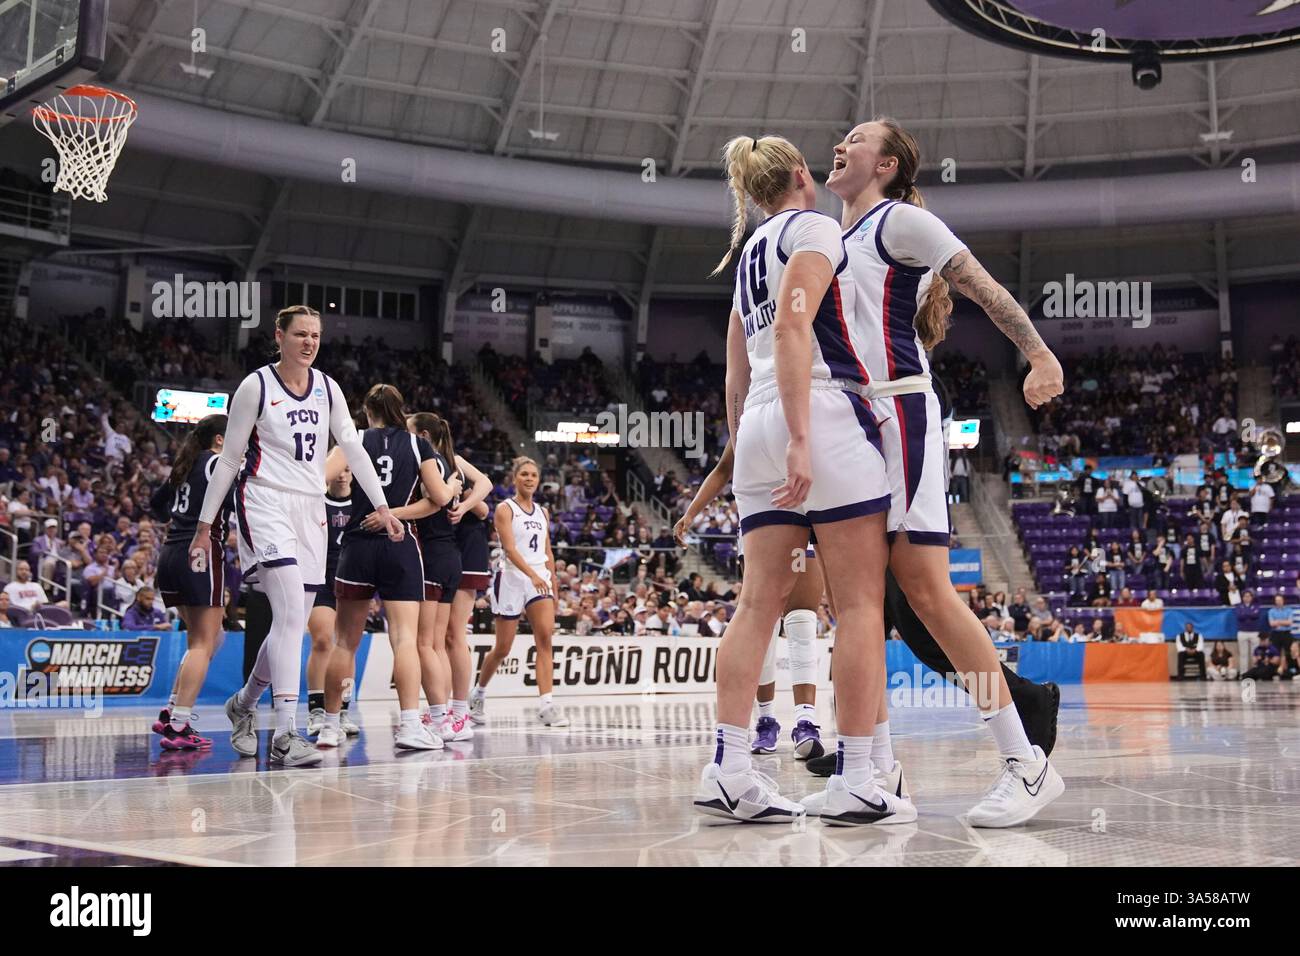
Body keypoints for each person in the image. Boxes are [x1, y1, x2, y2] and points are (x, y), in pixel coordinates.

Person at [825, 116, 1064, 826]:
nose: (842, 144)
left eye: (859, 139)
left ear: (890, 165)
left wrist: (1040, 356)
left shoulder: (901, 223)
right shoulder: (825, 238)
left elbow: (986, 290)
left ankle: (1026, 764)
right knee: (860, 604)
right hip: (852, 422)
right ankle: (878, 774)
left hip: (901, 414)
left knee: (927, 594)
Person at [692, 134, 893, 827]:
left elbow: (733, 375)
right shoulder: (812, 226)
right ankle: (859, 776)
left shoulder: (749, 252)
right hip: (821, 408)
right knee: (862, 604)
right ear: (802, 176)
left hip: (753, 424)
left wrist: (755, 442)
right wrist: (804, 437)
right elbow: (793, 322)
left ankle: (728, 766)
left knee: (756, 604)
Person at [189, 305, 401, 768]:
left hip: (311, 508)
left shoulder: (328, 387)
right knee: (288, 617)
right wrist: (205, 526)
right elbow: (229, 460)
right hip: (264, 501)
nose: (309, 342)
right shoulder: (256, 386)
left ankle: (243, 704)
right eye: (300, 334)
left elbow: (353, 446)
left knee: (291, 621)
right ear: (279, 336)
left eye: (315, 335)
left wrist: (382, 505)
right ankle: (284, 731)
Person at [317, 384, 458, 751]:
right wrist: (394, 512)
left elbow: (320, 479)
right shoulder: (418, 445)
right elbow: (440, 499)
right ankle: (410, 726)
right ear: (401, 409)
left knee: (344, 642)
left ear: (366, 411)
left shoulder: (354, 439)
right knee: (405, 640)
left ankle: (330, 726)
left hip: (358, 543)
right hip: (400, 543)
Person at [674, 439, 825, 760]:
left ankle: (806, 720)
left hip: (804, 520)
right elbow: (723, 468)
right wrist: (692, 512)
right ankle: (766, 720)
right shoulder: (749, 415)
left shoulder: (812, 410)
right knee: (764, 625)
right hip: (761, 527)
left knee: (802, 622)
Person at [148, 414, 231, 750]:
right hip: (199, 551)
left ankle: (170, 711)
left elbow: (156, 505)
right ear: (221, 439)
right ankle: (180, 725)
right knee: (202, 642)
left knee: (214, 638)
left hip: (170, 552)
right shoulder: (216, 463)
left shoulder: (185, 465)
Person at [471, 457, 569, 728]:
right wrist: (534, 575)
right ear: (515, 478)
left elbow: (547, 550)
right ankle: (478, 692)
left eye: (533, 475)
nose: (529, 479)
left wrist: (553, 583)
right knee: (503, 647)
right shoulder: (505, 509)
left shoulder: (543, 512)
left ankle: (547, 704)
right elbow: (511, 550)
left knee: (545, 638)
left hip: (539, 580)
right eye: (524, 474)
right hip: (512, 578)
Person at [304, 467, 359, 739]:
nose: (342, 474)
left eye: (348, 469)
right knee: (323, 640)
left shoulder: (362, 502)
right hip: (321, 580)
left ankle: (343, 710)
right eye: (339, 468)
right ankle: (316, 709)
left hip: (351, 580)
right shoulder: (316, 499)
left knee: (347, 646)